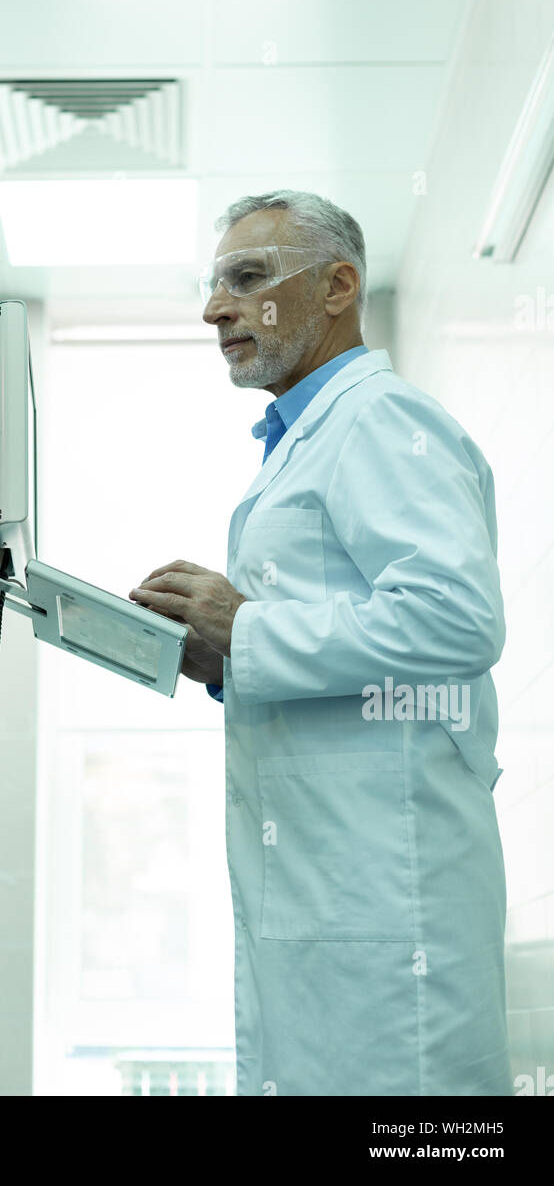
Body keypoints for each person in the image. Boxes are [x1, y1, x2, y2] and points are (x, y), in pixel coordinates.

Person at [129, 189, 512, 1097]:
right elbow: (342, 645)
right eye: (214, 283)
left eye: (248, 278)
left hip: (391, 905)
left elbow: (458, 616)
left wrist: (246, 629)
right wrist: (225, 661)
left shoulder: (380, 420)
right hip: (339, 890)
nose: (216, 307)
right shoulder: (306, 441)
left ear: (338, 285)